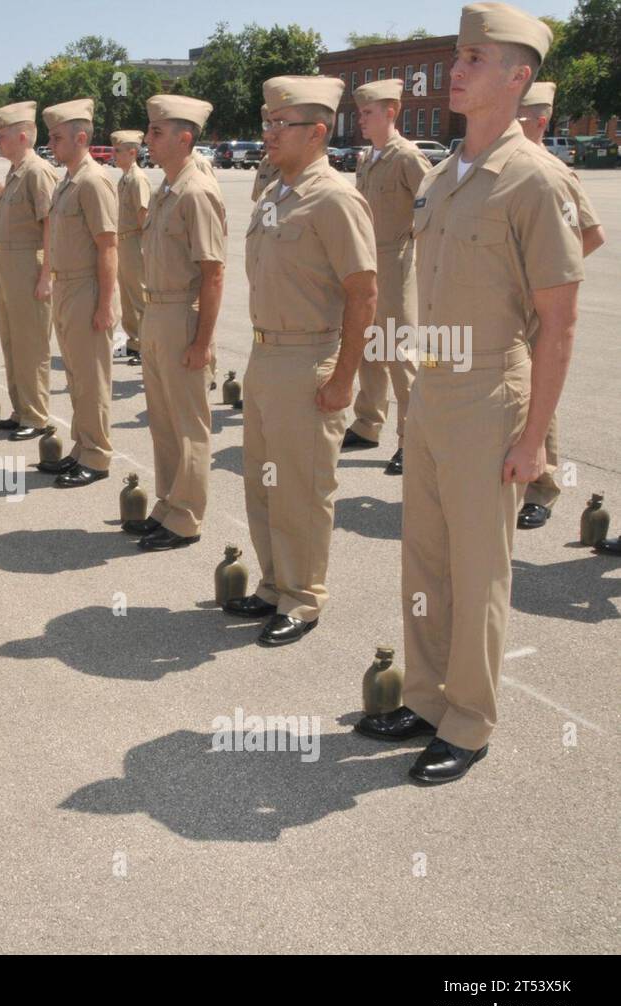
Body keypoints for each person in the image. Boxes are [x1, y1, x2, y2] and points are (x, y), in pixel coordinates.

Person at [357, 4, 584, 784]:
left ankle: (470, 719)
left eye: (476, 59)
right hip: (431, 383)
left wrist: (532, 440)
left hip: (491, 388)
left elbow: (558, 326)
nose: (456, 70)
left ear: (519, 77)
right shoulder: (447, 171)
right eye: (457, 55)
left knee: (479, 565)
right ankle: (424, 695)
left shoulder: (535, 179)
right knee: (424, 559)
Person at [226, 75, 377, 647]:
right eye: (266, 123)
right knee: (262, 481)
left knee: (303, 487)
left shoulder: (334, 198)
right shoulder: (276, 194)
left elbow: (363, 294)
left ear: (316, 132)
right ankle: (273, 585)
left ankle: (305, 597)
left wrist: (345, 377)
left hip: (310, 357)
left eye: (279, 125)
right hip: (266, 356)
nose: (268, 133)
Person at [124, 95, 227, 553]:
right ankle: (168, 504)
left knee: (188, 424)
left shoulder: (196, 192)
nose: (148, 138)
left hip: (181, 314)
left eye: (157, 132)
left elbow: (213, 274)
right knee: (163, 420)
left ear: (185, 138)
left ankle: (186, 518)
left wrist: (203, 341)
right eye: (150, 130)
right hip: (155, 313)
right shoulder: (167, 188)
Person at [514, 80, 605, 530]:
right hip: (498, 305)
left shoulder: (553, 171)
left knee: (536, 388)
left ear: (542, 121)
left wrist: (543, 280)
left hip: (535, 303)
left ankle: (543, 487)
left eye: (520, 116)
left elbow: (591, 234)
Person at [342, 79, 431, 476]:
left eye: (368, 112)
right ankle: (367, 422)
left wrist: (419, 248)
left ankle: (411, 440)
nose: (361, 119)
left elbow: (432, 207)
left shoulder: (406, 156)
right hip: (366, 259)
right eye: (360, 112)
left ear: (391, 112)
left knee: (400, 353)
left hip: (395, 260)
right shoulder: (368, 158)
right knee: (368, 347)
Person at [40, 98, 118, 488]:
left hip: (88, 287)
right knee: (75, 374)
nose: (50, 144)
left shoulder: (93, 181)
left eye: (56, 138)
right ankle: (82, 447)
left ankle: (98, 455)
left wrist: (105, 305)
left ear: (81, 137)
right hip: (67, 286)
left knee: (92, 377)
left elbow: (108, 246)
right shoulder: (66, 181)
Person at [0, 100, 60, 441]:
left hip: (29, 268)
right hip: (9, 271)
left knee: (31, 345)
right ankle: (21, 410)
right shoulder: (15, 172)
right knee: (12, 342)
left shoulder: (37, 171)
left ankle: (36, 415)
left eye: (2, 136)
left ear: (22, 136)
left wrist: (47, 275)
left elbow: (50, 226)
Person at [111, 130, 150, 365]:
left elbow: (143, 217)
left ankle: (147, 346)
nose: (114, 154)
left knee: (140, 297)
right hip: (123, 243)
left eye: (118, 151)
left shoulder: (137, 179)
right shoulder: (125, 178)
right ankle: (135, 342)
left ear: (132, 153)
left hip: (135, 242)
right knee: (127, 298)